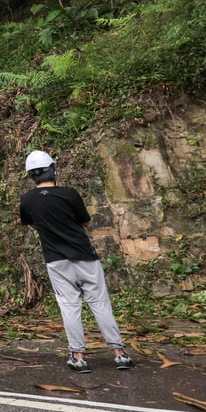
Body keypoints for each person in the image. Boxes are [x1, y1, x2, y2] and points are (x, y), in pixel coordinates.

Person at [19, 150, 134, 373]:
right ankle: (119, 353)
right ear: (52, 170)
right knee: (99, 303)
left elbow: (32, 224)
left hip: (56, 261)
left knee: (69, 306)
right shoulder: (69, 194)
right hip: (84, 256)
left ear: (31, 175)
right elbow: (85, 222)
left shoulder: (27, 200)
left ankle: (78, 357)